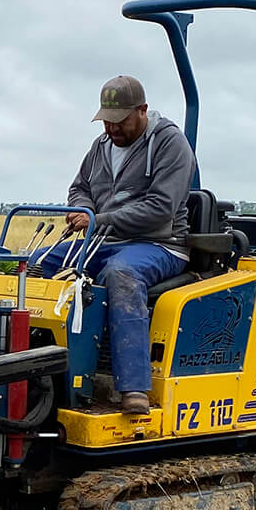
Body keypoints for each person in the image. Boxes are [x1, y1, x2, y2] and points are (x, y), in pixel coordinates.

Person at [29, 75, 196, 416]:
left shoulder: (170, 144)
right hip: (103, 239)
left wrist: (99, 221)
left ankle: (133, 387)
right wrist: (85, 209)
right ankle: (39, 367)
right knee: (38, 263)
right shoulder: (101, 147)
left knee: (120, 273)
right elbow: (79, 188)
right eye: (106, 120)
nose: (112, 128)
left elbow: (160, 208)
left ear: (142, 111)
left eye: (120, 121)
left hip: (159, 243)